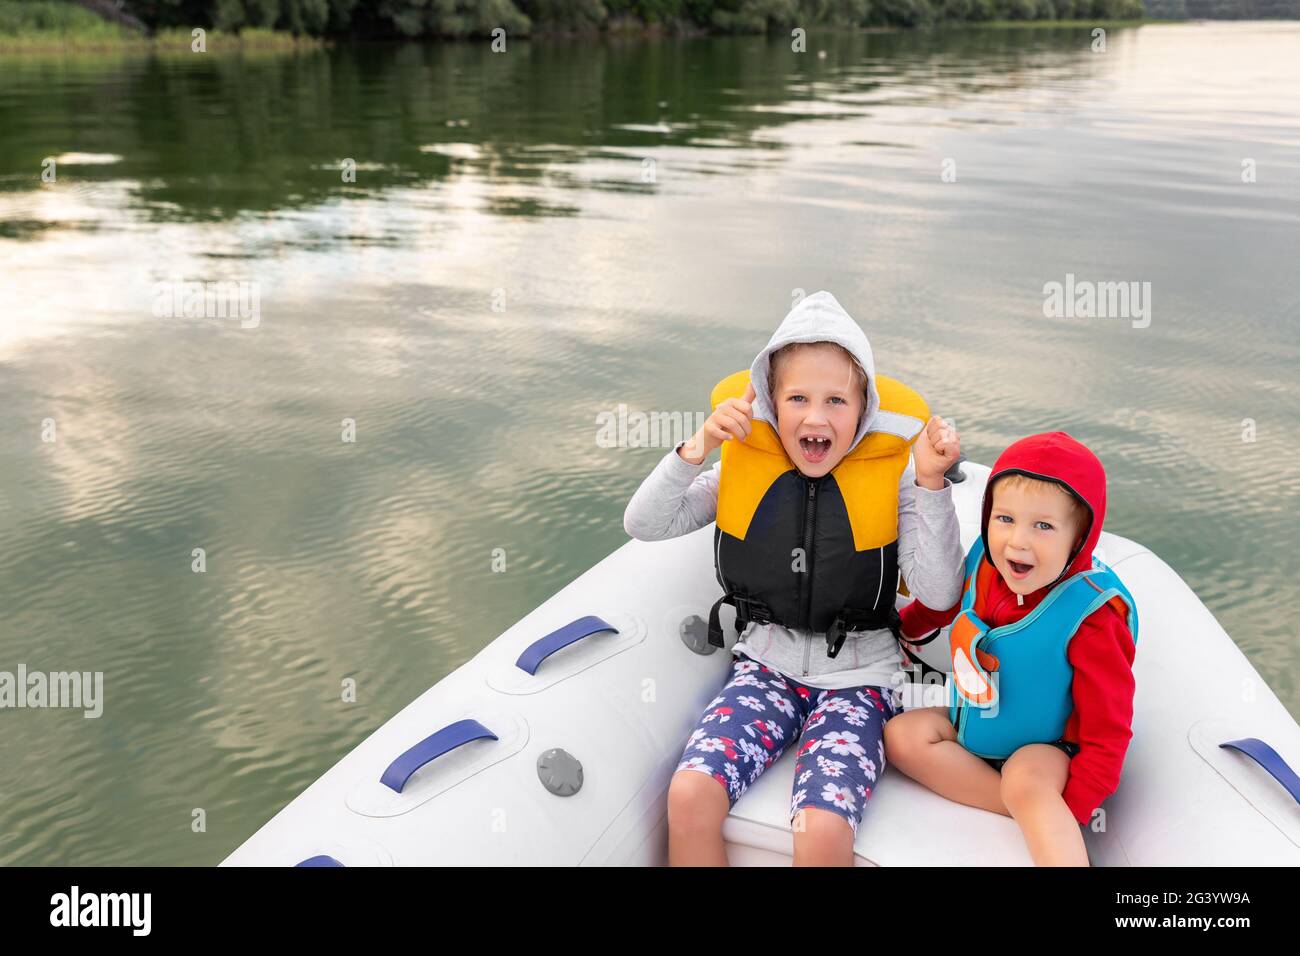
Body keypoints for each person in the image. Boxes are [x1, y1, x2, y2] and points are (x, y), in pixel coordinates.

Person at [623, 290, 964, 865]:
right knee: (688, 794)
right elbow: (645, 523)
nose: (815, 417)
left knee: (822, 828)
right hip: (764, 667)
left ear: (864, 410)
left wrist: (931, 486)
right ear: (771, 405)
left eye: (836, 401)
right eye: (798, 398)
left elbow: (938, 593)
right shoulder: (743, 469)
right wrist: (698, 446)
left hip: (861, 678)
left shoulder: (896, 480)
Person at [884, 432, 1138, 866]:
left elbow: (1108, 730)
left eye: (1043, 526)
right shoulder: (985, 560)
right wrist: (905, 628)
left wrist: (1076, 807)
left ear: (1080, 539)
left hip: (1049, 747)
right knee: (902, 736)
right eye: (1004, 519)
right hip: (975, 722)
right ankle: (1022, 811)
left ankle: (1035, 809)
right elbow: (947, 607)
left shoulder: (1093, 617)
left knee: (1024, 779)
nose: (1017, 541)